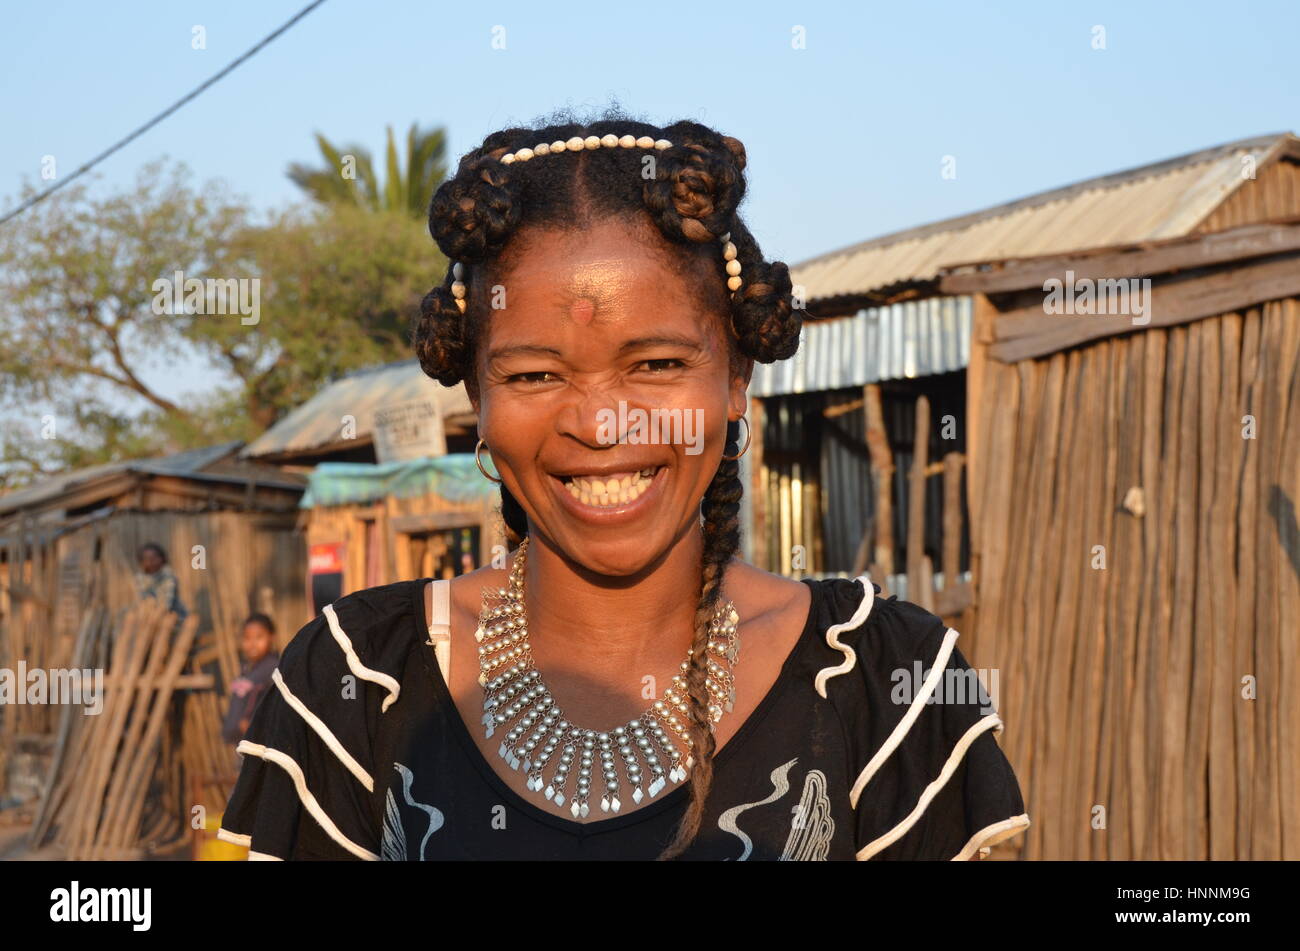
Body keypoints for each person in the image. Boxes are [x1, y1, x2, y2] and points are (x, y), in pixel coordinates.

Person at [217, 112, 1030, 861]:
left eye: (659, 364)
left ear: (737, 376)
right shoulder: (356, 684)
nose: (601, 424)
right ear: (479, 400)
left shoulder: (886, 686)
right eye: (534, 372)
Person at [221, 614, 281, 749]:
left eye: (259, 637)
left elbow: (270, 700)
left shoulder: (273, 668)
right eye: (247, 638)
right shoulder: (247, 669)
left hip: (260, 742)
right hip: (241, 740)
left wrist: (251, 720)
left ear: (271, 637)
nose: (252, 644)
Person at [134, 542, 187, 622]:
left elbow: (166, 604)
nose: (151, 561)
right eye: (147, 558)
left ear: (162, 559)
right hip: (147, 617)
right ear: (141, 561)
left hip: (172, 617)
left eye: (154, 558)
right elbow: (141, 600)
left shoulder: (169, 577)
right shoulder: (139, 578)